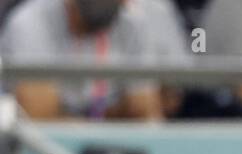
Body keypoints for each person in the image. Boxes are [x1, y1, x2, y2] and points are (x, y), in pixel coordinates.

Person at [0, 0, 185, 120]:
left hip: (112, 150)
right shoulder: (30, 22)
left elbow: (144, 112)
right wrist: (111, 119)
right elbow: (41, 117)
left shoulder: (130, 21)